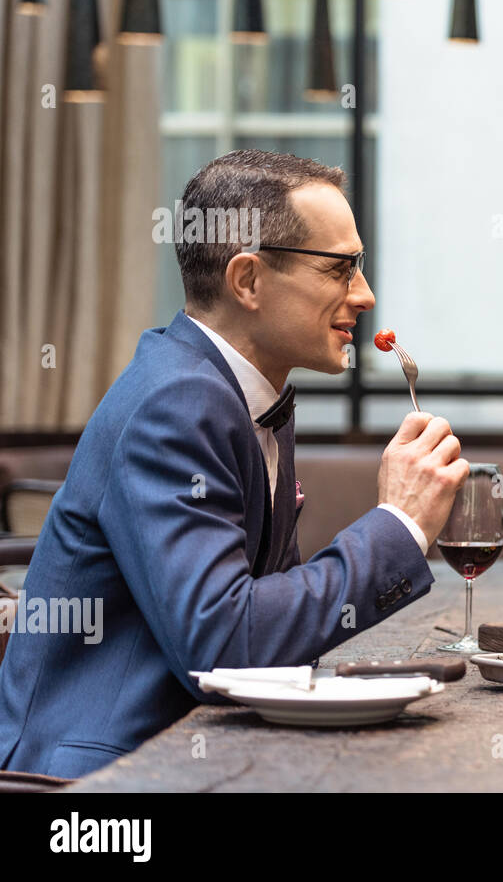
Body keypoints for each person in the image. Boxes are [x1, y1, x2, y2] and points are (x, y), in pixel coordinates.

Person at [0, 150, 468, 779]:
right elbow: (226, 645)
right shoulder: (179, 403)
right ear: (247, 281)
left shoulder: (243, 391)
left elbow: (266, 623)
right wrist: (399, 526)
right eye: (340, 268)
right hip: (97, 780)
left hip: (201, 755)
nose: (365, 294)